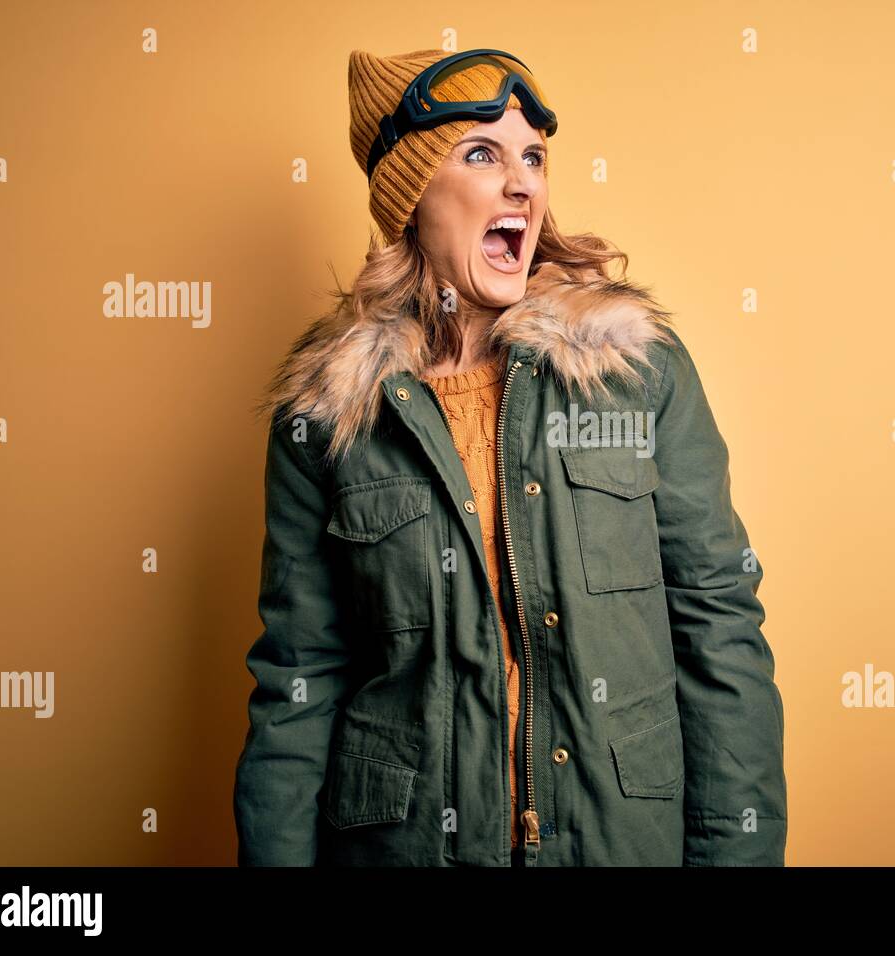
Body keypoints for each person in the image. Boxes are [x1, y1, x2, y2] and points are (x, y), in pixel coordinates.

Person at [233, 47, 787, 866]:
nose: (522, 183)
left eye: (533, 157)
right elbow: (298, 678)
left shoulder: (634, 373)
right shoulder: (330, 414)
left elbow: (719, 627)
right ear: (412, 195)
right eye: (482, 155)